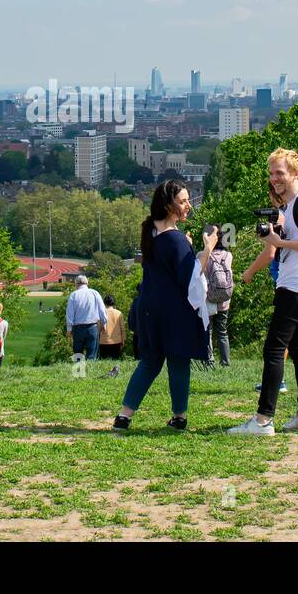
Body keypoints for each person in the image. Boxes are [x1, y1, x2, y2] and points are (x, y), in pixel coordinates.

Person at [229, 148, 298, 435]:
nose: (274, 179)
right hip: (295, 282)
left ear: (295, 173)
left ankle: (263, 419)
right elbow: (291, 241)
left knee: (274, 348)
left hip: (296, 284)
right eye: (272, 174)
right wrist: (275, 236)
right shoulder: (289, 205)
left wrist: (281, 243)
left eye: (280, 173)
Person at [114, 180, 212, 432]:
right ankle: (179, 417)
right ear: (169, 205)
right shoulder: (176, 240)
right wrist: (206, 251)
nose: (188, 205)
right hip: (173, 311)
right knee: (178, 361)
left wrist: (187, 247)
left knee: (150, 362)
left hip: (149, 307)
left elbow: (165, 262)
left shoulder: (151, 231)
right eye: (183, 201)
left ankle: (124, 416)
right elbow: (189, 278)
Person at [203, 229, 234, 368]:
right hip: (224, 299)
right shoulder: (228, 255)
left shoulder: (203, 255)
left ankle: (209, 362)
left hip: (208, 298)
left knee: (207, 331)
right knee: (222, 331)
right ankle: (226, 363)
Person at [66, 274, 108, 361]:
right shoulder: (95, 293)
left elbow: (70, 313)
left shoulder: (74, 295)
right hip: (92, 327)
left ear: (76, 284)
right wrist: (104, 323)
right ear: (87, 283)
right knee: (92, 354)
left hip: (78, 329)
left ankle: (79, 373)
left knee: (78, 355)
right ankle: (91, 373)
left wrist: (69, 329)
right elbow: (102, 310)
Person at [98, 295, 125, 365]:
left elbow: (98, 328)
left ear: (104, 303)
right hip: (117, 341)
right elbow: (122, 329)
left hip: (104, 341)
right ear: (113, 303)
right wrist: (123, 340)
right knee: (115, 363)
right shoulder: (119, 313)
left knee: (103, 364)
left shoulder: (101, 313)